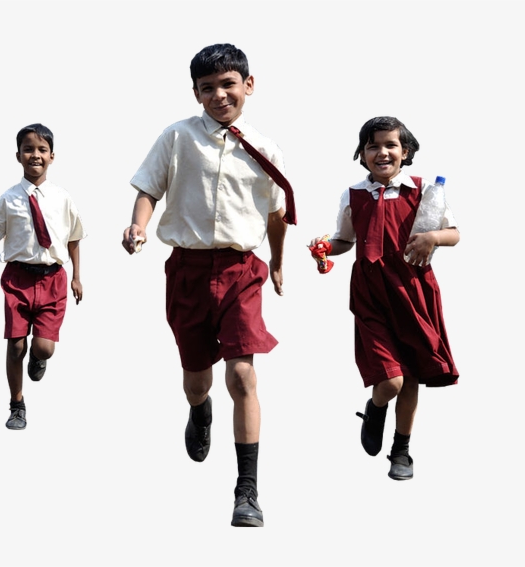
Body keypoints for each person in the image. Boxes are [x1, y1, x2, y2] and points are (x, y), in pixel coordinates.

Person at [121, 43, 295, 527]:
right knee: (198, 380)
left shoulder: (266, 150)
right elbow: (148, 187)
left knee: (243, 376)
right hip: (188, 272)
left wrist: (278, 261)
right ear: (196, 93)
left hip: (242, 271)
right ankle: (200, 411)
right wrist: (137, 226)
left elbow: (277, 213)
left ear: (249, 85)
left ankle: (247, 491)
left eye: (228, 85)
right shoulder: (177, 138)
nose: (219, 95)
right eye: (208, 88)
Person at [308, 116, 459, 480]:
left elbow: (454, 232)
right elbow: (346, 240)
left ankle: (402, 450)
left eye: (391, 144)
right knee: (390, 380)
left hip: (414, 292)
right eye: (372, 145)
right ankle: (376, 409)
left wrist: (433, 239)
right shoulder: (353, 194)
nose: (382, 152)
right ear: (362, 154)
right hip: (371, 294)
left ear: (405, 152)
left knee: (411, 378)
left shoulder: (424, 190)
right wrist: (327, 246)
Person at [0, 123, 86, 431]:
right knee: (15, 345)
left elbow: (74, 238)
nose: (35, 155)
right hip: (18, 279)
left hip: (53, 280)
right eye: (28, 149)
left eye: (42, 150)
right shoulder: (9, 198)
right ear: (18, 155)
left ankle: (39, 356)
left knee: (44, 348)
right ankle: (17, 404)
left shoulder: (62, 198)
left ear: (52, 156)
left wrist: (77, 276)